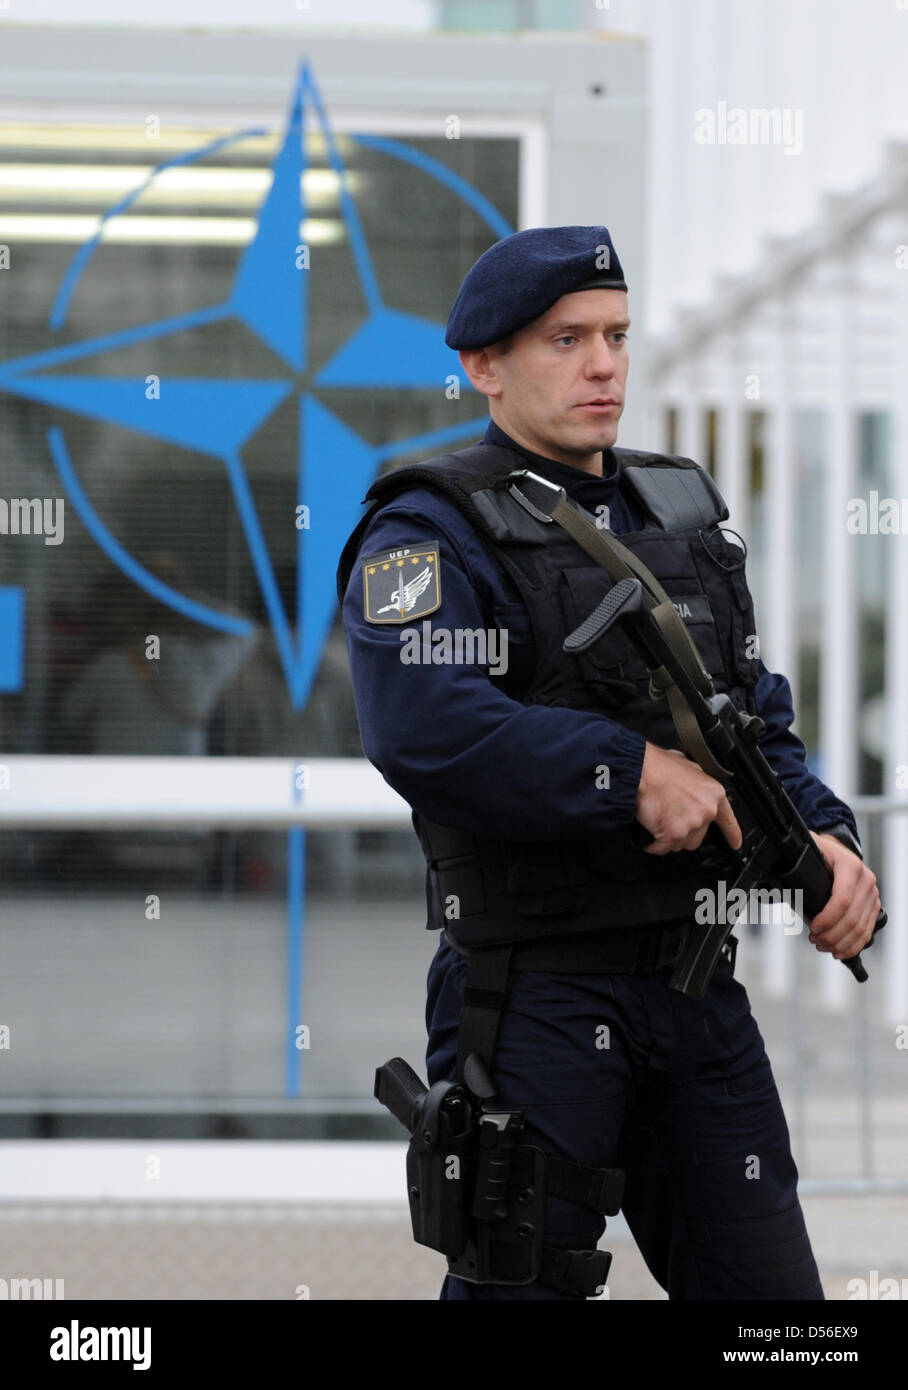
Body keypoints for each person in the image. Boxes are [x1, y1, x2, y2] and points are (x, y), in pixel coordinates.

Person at [335, 226, 881, 1300]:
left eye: (617, 337)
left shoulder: (674, 512)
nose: (602, 365)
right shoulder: (430, 525)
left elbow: (751, 723)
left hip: (694, 992)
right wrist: (624, 771)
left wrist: (825, 837)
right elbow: (426, 724)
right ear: (483, 366)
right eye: (565, 339)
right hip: (534, 996)